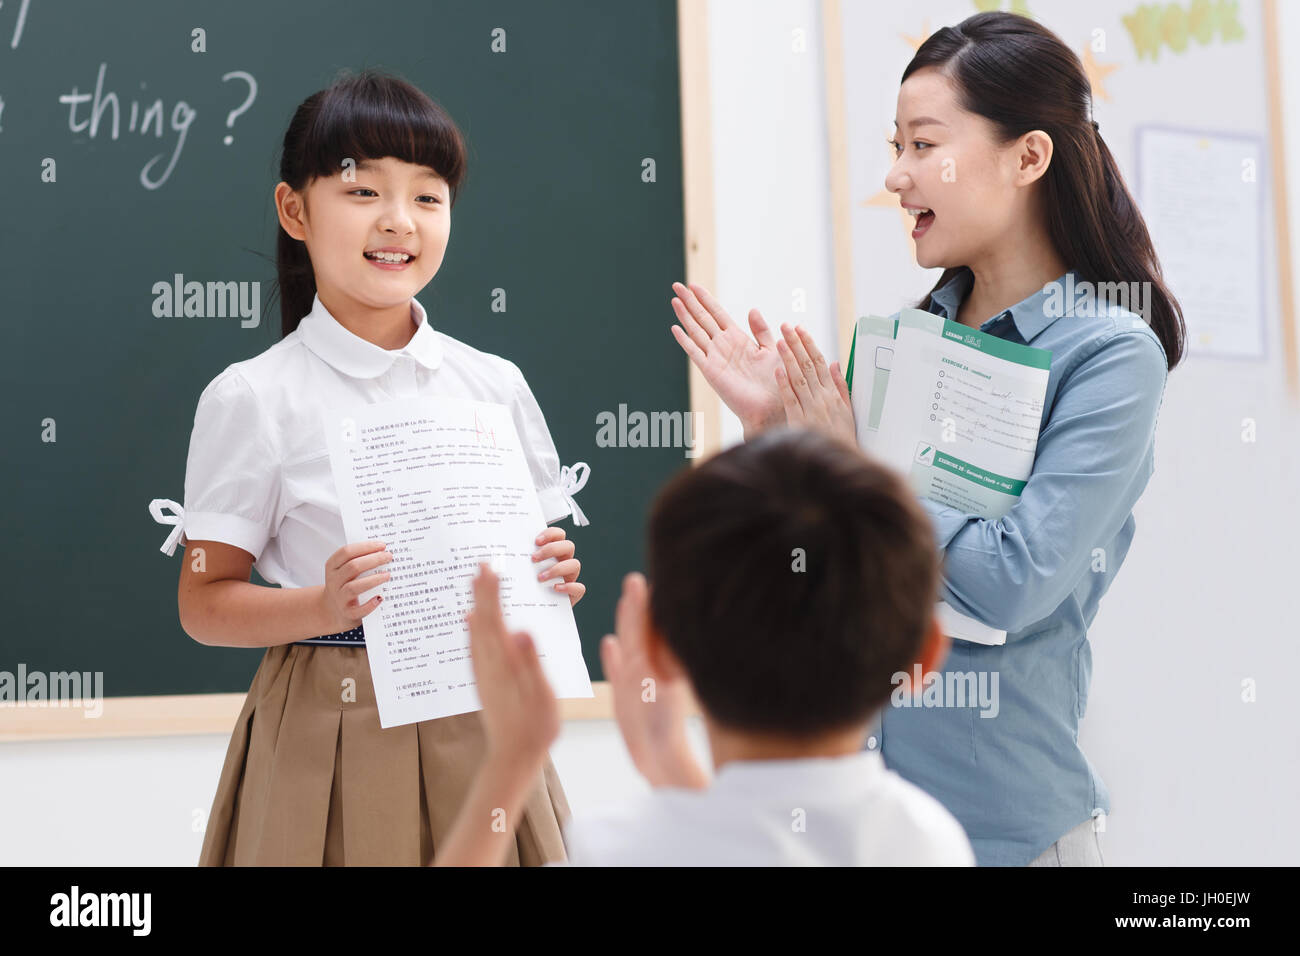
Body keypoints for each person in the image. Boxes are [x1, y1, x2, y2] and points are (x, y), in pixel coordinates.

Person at [668, 11, 1183, 866]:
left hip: (1010, 836)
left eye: (921, 145)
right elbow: (823, 585)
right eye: (893, 146)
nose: (897, 177)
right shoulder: (905, 338)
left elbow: (1012, 582)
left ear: (1029, 157)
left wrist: (855, 464)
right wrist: (780, 442)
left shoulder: (1110, 354)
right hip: (864, 831)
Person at [168, 69, 585, 866]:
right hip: (325, 722)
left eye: (428, 197)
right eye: (364, 193)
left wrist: (552, 572)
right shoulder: (253, 396)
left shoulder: (494, 383)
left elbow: (531, 567)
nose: (400, 221)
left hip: (481, 719)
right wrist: (321, 603)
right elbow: (203, 602)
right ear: (296, 210)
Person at [435, 428, 977, 866]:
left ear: (657, 644)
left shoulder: (616, 851)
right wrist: (670, 762)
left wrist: (511, 761)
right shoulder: (930, 842)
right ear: (924, 659)